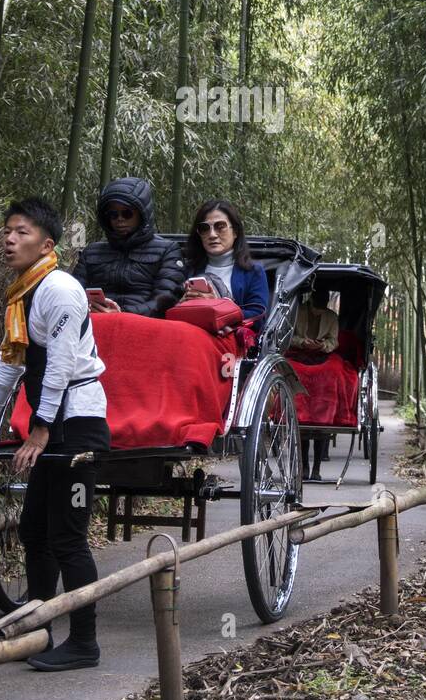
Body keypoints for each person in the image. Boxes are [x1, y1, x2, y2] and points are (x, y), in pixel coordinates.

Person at [0, 196, 109, 673]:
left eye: (22, 232)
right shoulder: (21, 294)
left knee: (68, 537)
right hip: (55, 423)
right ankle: (40, 629)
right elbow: (11, 361)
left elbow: (62, 365)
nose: (9, 239)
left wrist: (41, 428)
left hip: (79, 425)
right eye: (7, 231)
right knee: (35, 531)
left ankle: (84, 642)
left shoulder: (60, 289)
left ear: (47, 244)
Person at [72, 176, 185, 316]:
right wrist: (88, 307)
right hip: (93, 323)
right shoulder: (92, 252)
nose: (120, 219)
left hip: (144, 325)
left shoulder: (167, 250)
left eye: (127, 213)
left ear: (142, 214)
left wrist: (121, 314)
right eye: (113, 214)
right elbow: (73, 292)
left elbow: (166, 299)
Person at [182, 199, 269, 328]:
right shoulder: (188, 269)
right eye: (204, 228)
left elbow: (258, 317)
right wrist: (183, 304)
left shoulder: (253, 271)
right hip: (189, 332)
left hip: (230, 341)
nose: (212, 235)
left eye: (220, 226)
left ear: (235, 232)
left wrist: (217, 306)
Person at [290, 285, 340, 482]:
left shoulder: (331, 317)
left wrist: (323, 346)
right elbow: (289, 336)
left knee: (334, 372)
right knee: (291, 370)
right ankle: (304, 467)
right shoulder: (298, 311)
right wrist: (303, 342)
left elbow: (334, 341)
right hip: (299, 355)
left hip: (322, 358)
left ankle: (317, 468)